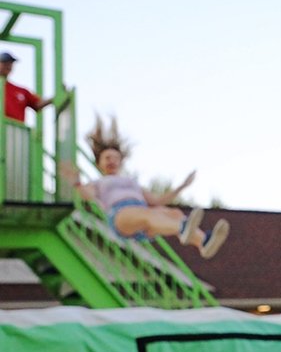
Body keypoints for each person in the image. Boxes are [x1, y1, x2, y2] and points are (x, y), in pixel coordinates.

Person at [63, 116, 230, 259]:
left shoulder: (132, 183)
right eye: (107, 158)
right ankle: (182, 229)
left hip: (142, 217)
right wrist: (77, 183)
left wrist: (182, 186)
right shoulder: (98, 183)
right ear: (99, 163)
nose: (111, 161)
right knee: (150, 214)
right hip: (120, 215)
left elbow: (157, 200)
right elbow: (87, 195)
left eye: (115, 157)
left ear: (121, 161)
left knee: (173, 213)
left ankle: (203, 243)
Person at [0, 52, 54, 122]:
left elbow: (37, 104)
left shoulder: (20, 91)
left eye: (10, 63)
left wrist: (56, 96)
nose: (8, 66)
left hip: (15, 130)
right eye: (5, 63)